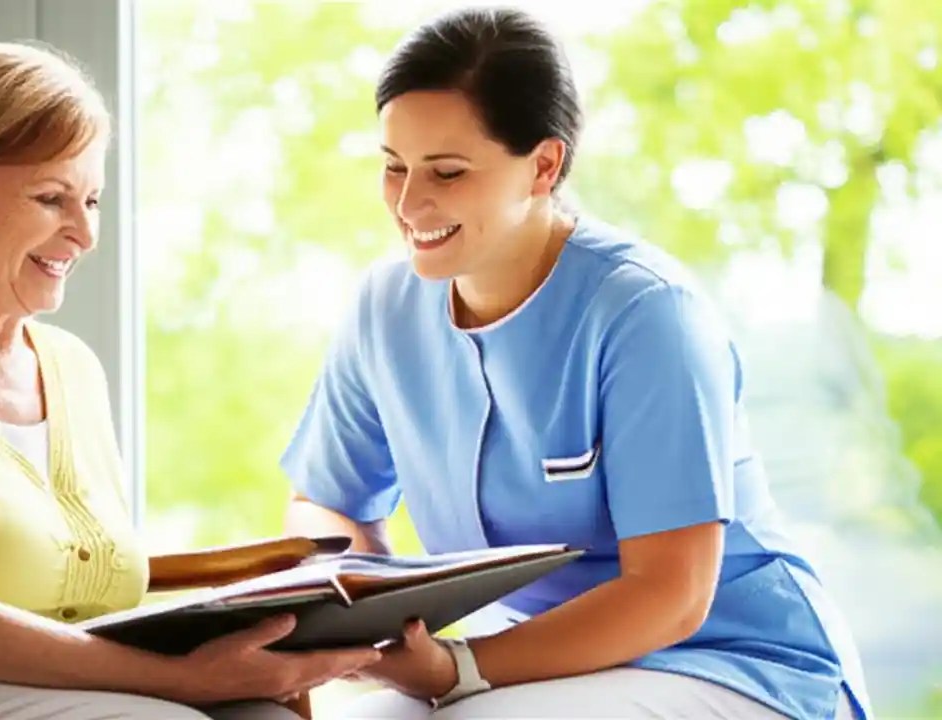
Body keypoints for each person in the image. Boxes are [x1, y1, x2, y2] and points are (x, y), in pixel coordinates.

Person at [0, 42, 379, 720]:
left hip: (36, 691)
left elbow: (100, 590)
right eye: (52, 198)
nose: (84, 233)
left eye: (91, 200)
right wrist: (184, 682)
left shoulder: (71, 367)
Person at [280, 7, 871, 719]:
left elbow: (672, 595)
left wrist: (457, 669)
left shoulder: (647, 315)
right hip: (521, 658)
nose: (409, 202)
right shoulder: (384, 309)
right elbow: (329, 499)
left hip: (732, 661)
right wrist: (362, 612)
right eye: (393, 166)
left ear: (543, 165)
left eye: (447, 171)